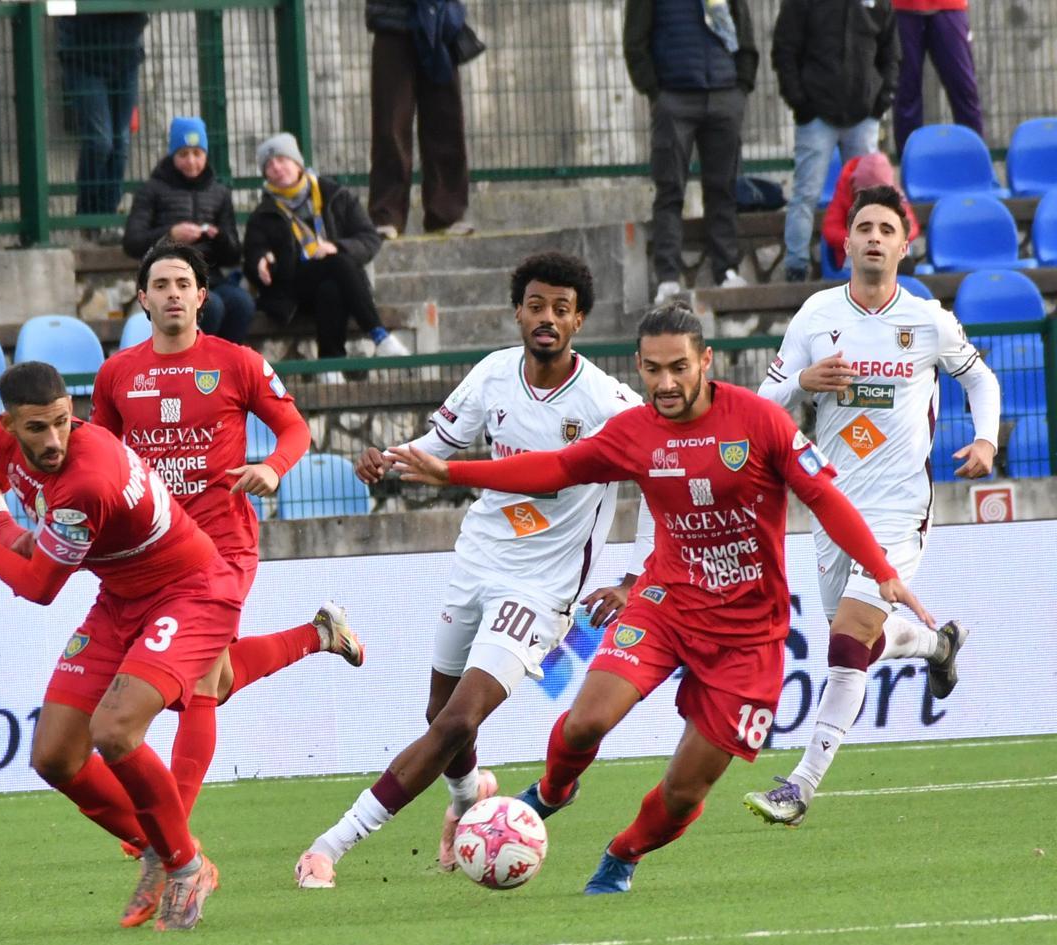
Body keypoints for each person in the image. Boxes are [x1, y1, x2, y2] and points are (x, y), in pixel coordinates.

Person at [390, 301, 934, 895]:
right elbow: (555, 469)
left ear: (705, 361)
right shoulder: (634, 431)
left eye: (678, 367)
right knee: (583, 723)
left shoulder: (760, 422)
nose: (666, 383)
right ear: (639, 367)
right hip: (665, 605)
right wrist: (455, 473)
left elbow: (824, 497)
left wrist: (880, 568)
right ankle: (553, 791)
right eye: (652, 370)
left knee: (682, 794)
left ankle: (623, 853)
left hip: (748, 639)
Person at [293, 252, 655, 889]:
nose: (547, 319)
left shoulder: (609, 402)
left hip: (542, 587)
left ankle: (331, 844)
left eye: (561, 310)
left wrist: (632, 577)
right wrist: (389, 461)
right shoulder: (493, 376)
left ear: (580, 321)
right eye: (536, 306)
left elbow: (660, 476)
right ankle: (468, 810)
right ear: (518, 311)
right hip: (478, 558)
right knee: (440, 713)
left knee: (460, 718)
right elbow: (435, 450)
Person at [91, 241, 365, 923]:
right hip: (149, 552)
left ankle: (168, 846)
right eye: (162, 284)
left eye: (185, 282)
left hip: (224, 549)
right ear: (144, 298)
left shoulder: (237, 363)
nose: (175, 294)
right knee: (208, 678)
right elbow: (98, 455)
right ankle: (317, 634)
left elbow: (294, 427)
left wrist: (273, 467)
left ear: (203, 295)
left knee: (204, 681)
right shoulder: (118, 374)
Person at [0, 361, 243, 931]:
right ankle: (157, 847)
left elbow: (39, 587)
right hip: (120, 597)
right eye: (37, 429)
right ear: (8, 425)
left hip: (190, 593)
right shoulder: (7, 442)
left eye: (63, 424)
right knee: (53, 756)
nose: (52, 441)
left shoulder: (86, 483)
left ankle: (187, 864)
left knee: (115, 731)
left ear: (76, 413)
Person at [746, 184, 999, 826]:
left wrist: (986, 437)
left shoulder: (927, 321)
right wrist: (803, 381)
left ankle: (799, 786)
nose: (875, 238)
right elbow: (759, 405)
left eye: (888, 228)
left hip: (898, 509)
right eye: (865, 227)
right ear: (847, 240)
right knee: (857, 640)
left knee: (849, 637)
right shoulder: (815, 316)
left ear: (904, 244)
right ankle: (937, 648)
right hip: (830, 508)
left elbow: (979, 376)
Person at [243, 132, 410, 377]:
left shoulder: (336, 196)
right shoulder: (262, 213)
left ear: (297, 162)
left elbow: (369, 238)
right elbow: (253, 251)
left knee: (331, 285)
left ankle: (330, 366)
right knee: (338, 264)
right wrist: (261, 260)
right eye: (269, 165)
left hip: (339, 280)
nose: (277, 167)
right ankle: (378, 334)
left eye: (281, 159)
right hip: (291, 286)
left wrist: (338, 246)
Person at [624, 0, 756, 302]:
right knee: (670, 190)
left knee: (722, 188)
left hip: (724, 95)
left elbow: (744, 33)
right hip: (674, 97)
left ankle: (726, 271)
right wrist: (656, 92)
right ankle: (668, 277)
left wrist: (741, 87)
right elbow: (635, 41)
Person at [773, 0, 898, 283]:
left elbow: (891, 52)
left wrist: (882, 100)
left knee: (872, 200)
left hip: (864, 116)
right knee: (806, 193)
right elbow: (784, 50)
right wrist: (800, 104)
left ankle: (870, 264)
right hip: (816, 116)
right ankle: (796, 266)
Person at [122, 117, 254, 344]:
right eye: (183, 154)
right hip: (171, 277)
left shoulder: (219, 193)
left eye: (197, 154)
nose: (191, 161)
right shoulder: (152, 190)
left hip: (212, 277)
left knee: (242, 303)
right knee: (211, 307)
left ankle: (226, 367)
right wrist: (171, 234)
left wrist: (219, 237)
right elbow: (132, 242)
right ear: (172, 155)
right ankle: (193, 363)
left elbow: (233, 254)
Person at [365, 0, 473, 239]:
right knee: (389, 125)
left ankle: (447, 215)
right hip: (392, 24)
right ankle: (386, 215)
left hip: (441, 22)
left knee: (446, 121)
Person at [56, 10, 148, 237]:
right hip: (83, 54)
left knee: (120, 143)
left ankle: (107, 217)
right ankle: (89, 216)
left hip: (125, 54)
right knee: (99, 142)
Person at [893, 1, 983, 157]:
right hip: (903, 8)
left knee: (964, 89)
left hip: (949, 7)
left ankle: (976, 161)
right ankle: (911, 167)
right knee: (906, 94)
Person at [821, 152, 920, 272]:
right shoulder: (844, 192)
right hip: (854, 253)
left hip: (888, 249)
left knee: (902, 245)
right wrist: (860, 237)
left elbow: (911, 226)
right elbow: (830, 229)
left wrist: (888, 237)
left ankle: (899, 268)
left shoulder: (895, 195)